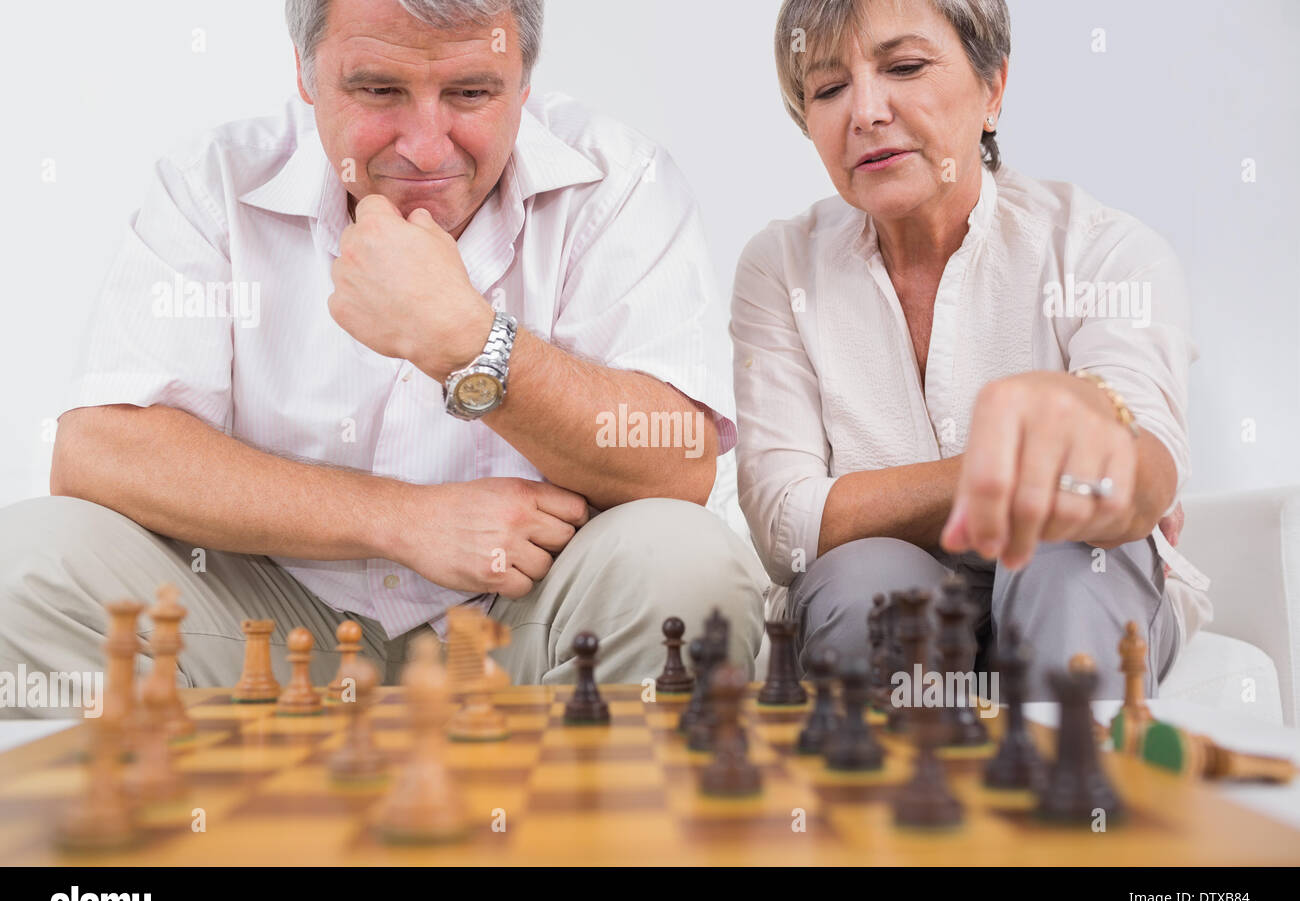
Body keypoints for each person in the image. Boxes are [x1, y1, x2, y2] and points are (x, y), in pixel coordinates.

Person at [0, 0, 764, 717]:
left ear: (525, 81)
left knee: (684, 563)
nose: (426, 146)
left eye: (470, 92)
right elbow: (99, 452)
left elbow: (677, 461)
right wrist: (400, 520)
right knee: (24, 566)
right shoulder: (213, 186)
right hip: (266, 626)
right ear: (305, 73)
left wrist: (469, 342)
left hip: (528, 626)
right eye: (378, 89)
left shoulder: (620, 181)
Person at [731, 0, 1205, 700]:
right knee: (869, 584)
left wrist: (1116, 480)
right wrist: (1006, 466)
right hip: (884, 603)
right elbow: (786, 524)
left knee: (1068, 554)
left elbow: (1140, 480)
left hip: (1075, 583)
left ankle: (1069, 799)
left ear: (994, 88)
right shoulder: (780, 267)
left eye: (905, 67)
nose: (864, 112)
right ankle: (889, 806)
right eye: (828, 88)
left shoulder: (1105, 250)